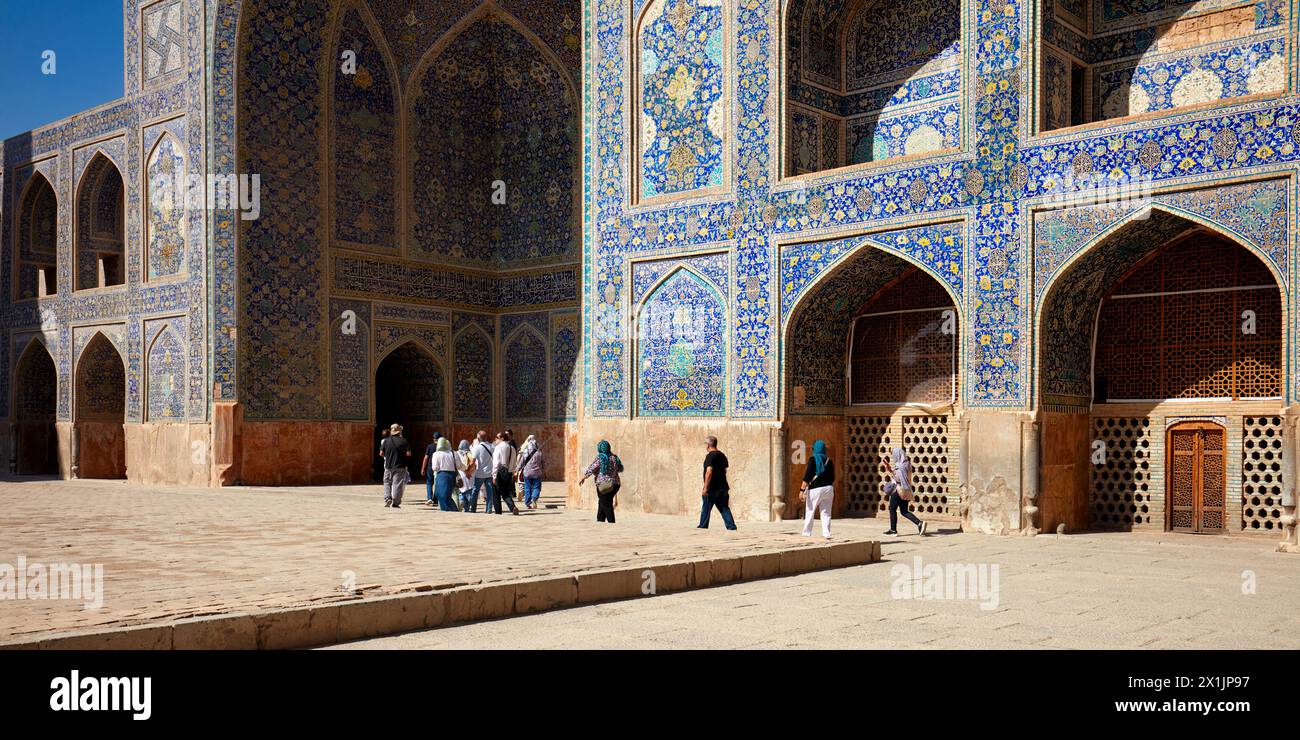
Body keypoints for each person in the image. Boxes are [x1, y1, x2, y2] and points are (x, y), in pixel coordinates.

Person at [884, 447, 927, 536]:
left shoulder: (900, 467)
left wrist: (892, 476)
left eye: (894, 455)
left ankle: (893, 530)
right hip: (906, 490)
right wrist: (890, 470)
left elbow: (899, 479)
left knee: (892, 509)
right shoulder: (907, 464)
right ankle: (919, 523)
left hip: (899, 490)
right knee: (904, 511)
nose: (893, 457)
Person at [698, 436, 737, 530]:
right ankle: (731, 526)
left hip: (712, 488)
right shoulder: (722, 455)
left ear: (708, 445)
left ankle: (702, 526)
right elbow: (724, 471)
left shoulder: (710, 456)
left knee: (706, 508)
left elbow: (709, 471)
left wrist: (706, 488)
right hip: (723, 487)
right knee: (724, 508)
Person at [579, 440, 623, 523]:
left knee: (606, 503)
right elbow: (620, 468)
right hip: (616, 484)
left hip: (604, 484)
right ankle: (600, 520)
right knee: (603, 501)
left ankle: (611, 522)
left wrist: (584, 477)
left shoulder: (601, 457)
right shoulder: (614, 457)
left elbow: (592, 468)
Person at [799, 439, 835, 538]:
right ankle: (826, 533)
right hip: (828, 489)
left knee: (810, 511)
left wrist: (802, 490)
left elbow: (808, 476)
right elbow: (833, 477)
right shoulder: (829, 461)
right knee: (826, 512)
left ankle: (807, 533)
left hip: (815, 489)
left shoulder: (812, 459)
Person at [379, 423, 412, 509]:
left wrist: (388, 456)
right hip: (400, 465)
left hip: (388, 465)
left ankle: (387, 498)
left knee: (387, 482)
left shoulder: (386, 441)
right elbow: (408, 454)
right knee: (398, 484)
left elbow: (381, 453)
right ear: (399, 431)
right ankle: (396, 502)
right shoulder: (404, 441)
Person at [427, 438, 464, 512]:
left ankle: (448, 509)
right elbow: (459, 465)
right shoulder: (453, 453)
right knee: (448, 495)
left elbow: (435, 467)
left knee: (442, 495)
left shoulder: (436, 454)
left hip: (441, 475)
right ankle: (451, 509)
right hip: (452, 475)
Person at [489, 432, 520, 515]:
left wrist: (494, 476)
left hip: (500, 472)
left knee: (496, 493)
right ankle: (512, 507)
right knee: (506, 492)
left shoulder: (498, 447)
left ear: (502, 438)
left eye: (497, 437)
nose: (496, 439)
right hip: (509, 473)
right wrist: (512, 472)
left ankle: (498, 512)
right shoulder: (512, 448)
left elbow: (496, 463)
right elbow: (514, 462)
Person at [470, 431, 495, 513]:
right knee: (489, 492)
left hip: (480, 473)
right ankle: (488, 510)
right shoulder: (492, 446)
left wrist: (468, 470)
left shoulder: (477, 448)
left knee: (475, 491)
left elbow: (472, 461)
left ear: (478, 438)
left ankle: (473, 509)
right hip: (489, 473)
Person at [518, 435, 544, 509]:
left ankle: (528, 503)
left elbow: (521, 462)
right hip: (537, 473)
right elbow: (543, 463)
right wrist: (544, 470)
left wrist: (517, 469)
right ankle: (534, 498)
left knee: (527, 487)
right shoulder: (539, 453)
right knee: (537, 487)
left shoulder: (525, 452)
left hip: (527, 473)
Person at [420, 432, 443, 506]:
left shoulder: (430, 447)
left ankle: (429, 498)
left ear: (433, 439)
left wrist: (423, 468)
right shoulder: (443, 447)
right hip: (439, 468)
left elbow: (426, 458)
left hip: (430, 468)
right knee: (437, 484)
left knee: (429, 483)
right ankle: (435, 499)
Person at [456, 439, 475, 510]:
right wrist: (469, 472)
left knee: (461, 490)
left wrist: (465, 472)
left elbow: (457, 465)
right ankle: (467, 507)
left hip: (461, 474)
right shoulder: (471, 453)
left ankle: (462, 502)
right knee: (469, 491)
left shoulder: (456, 453)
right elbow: (474, 464)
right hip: (470, 475)